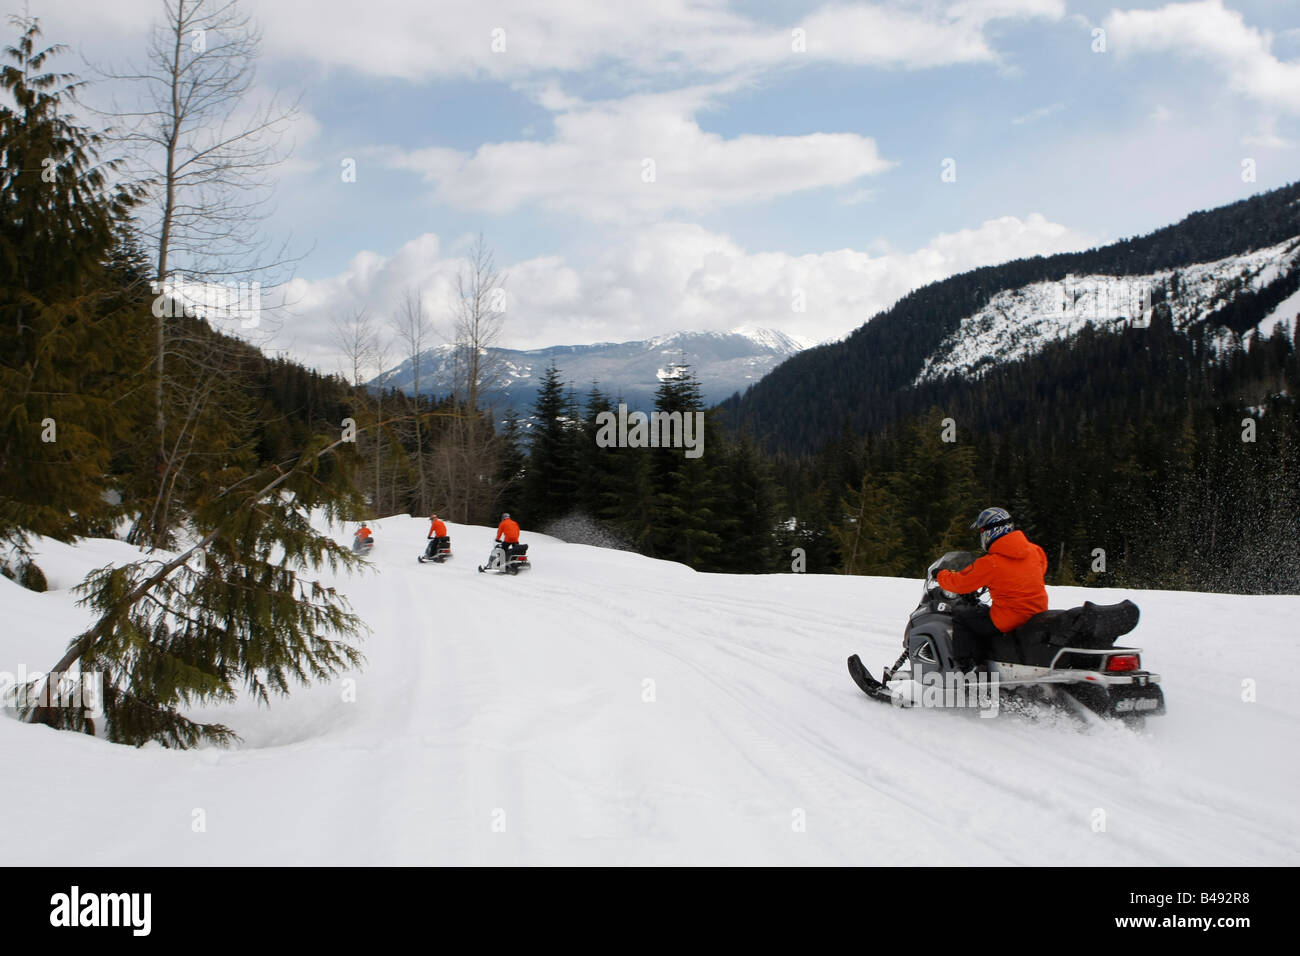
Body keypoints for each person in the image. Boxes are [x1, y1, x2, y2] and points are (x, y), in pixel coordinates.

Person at [934, 507, 1047, 660]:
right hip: (1037, 613)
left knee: (963, 618)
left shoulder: (991, 563)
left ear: (991, 532)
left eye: (981, 532)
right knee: (980, 616)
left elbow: (960, 583)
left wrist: (940, 574)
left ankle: (969, 670)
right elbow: (1040, 570)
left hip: (1009, 618)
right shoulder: (1035, 551)